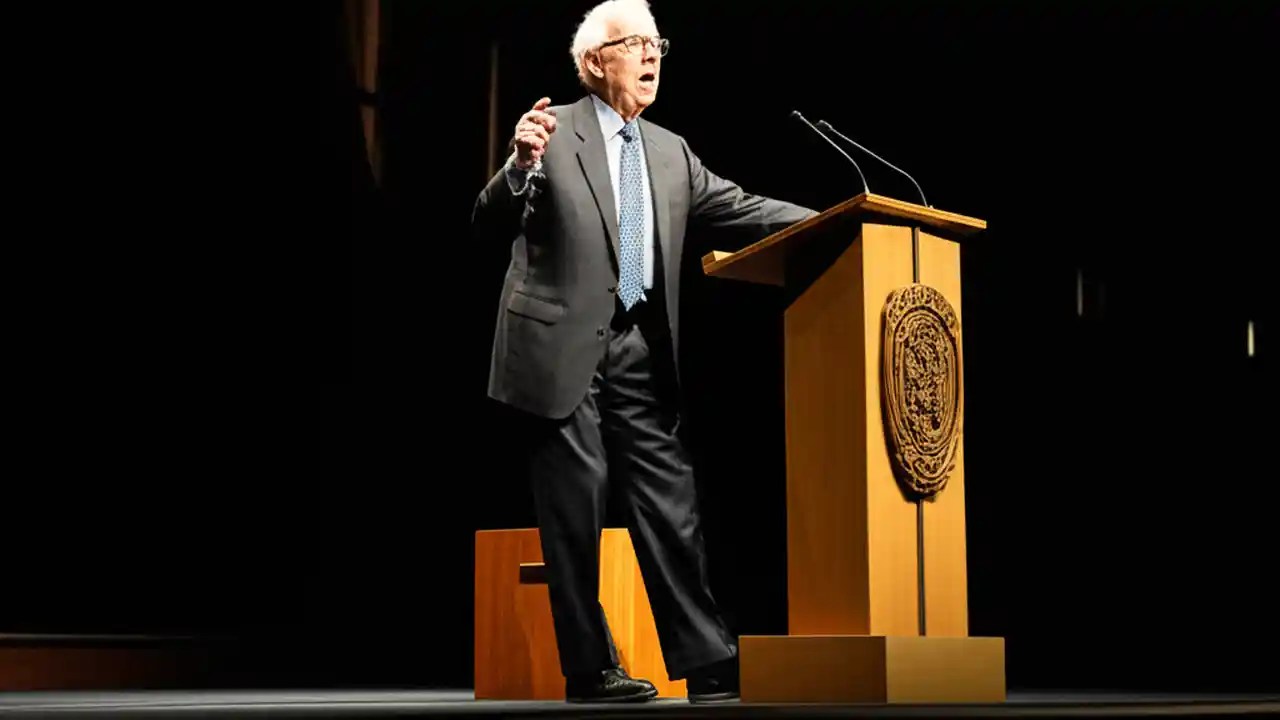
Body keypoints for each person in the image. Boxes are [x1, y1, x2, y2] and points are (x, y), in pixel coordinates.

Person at [471, 0, 816, 704]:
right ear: (596, 61)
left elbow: (743, 208)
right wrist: (516, 167)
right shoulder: (549, 133)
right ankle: (590, 668)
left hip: (637, 348)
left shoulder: (669, 151)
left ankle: (708, 659)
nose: (653, 55)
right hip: (557, 347)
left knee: (671, 502)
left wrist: (841, 222)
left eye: (657, 42)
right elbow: (490, 220)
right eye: (636, 44)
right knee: (576, 509)